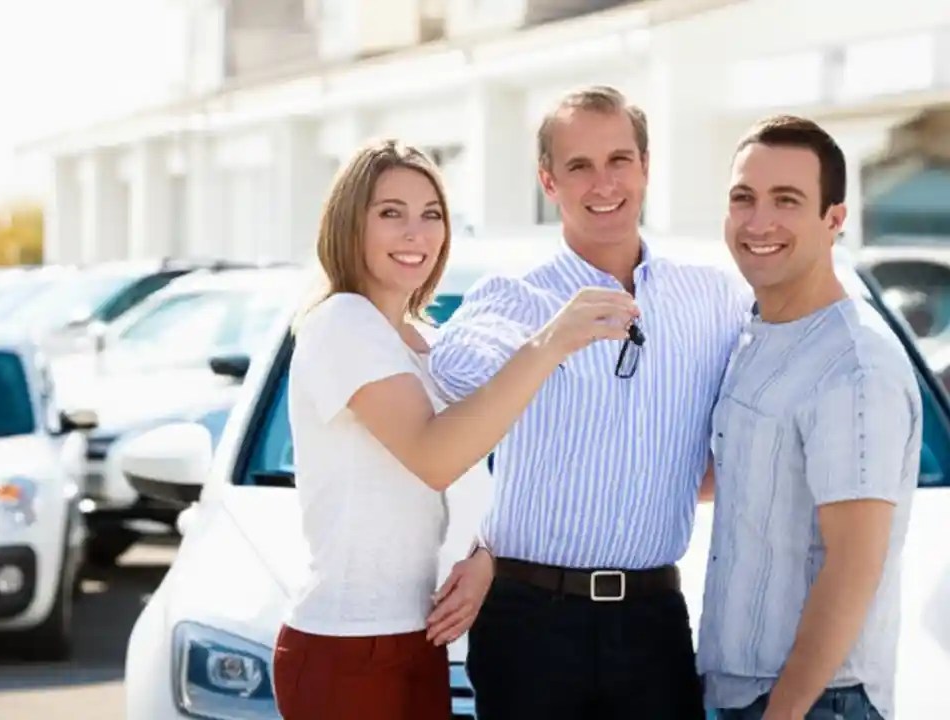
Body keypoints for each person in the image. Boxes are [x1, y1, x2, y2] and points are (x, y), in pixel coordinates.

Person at [272, 138, 641, 720]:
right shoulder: (343, 321)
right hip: (347, 644)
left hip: (419, 639)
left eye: (431, 214)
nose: (416, 233)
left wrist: (486, 555)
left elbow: (477, 478)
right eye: (391, 213)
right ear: (349, 223)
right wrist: (548, 343)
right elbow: (435, 457)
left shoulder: (426, 340)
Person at [423, 86, 750, 719]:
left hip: (654, 621)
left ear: (646, 167)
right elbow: (451, 375)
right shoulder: (516, 298)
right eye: (579, 166)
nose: (604, 183)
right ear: (549, 181)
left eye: (619, 160)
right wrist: (551, 340)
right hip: (529, 624)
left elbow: (755, 420)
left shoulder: (712, 298)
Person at [698, 115, 920, 720]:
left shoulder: (854, 367)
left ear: (834, 219)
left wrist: (785, 711)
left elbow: (854, 564)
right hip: (741, 691)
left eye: (786, 200)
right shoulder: (755, 335)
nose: (758, 221)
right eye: (743, 198)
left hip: (816, 701)